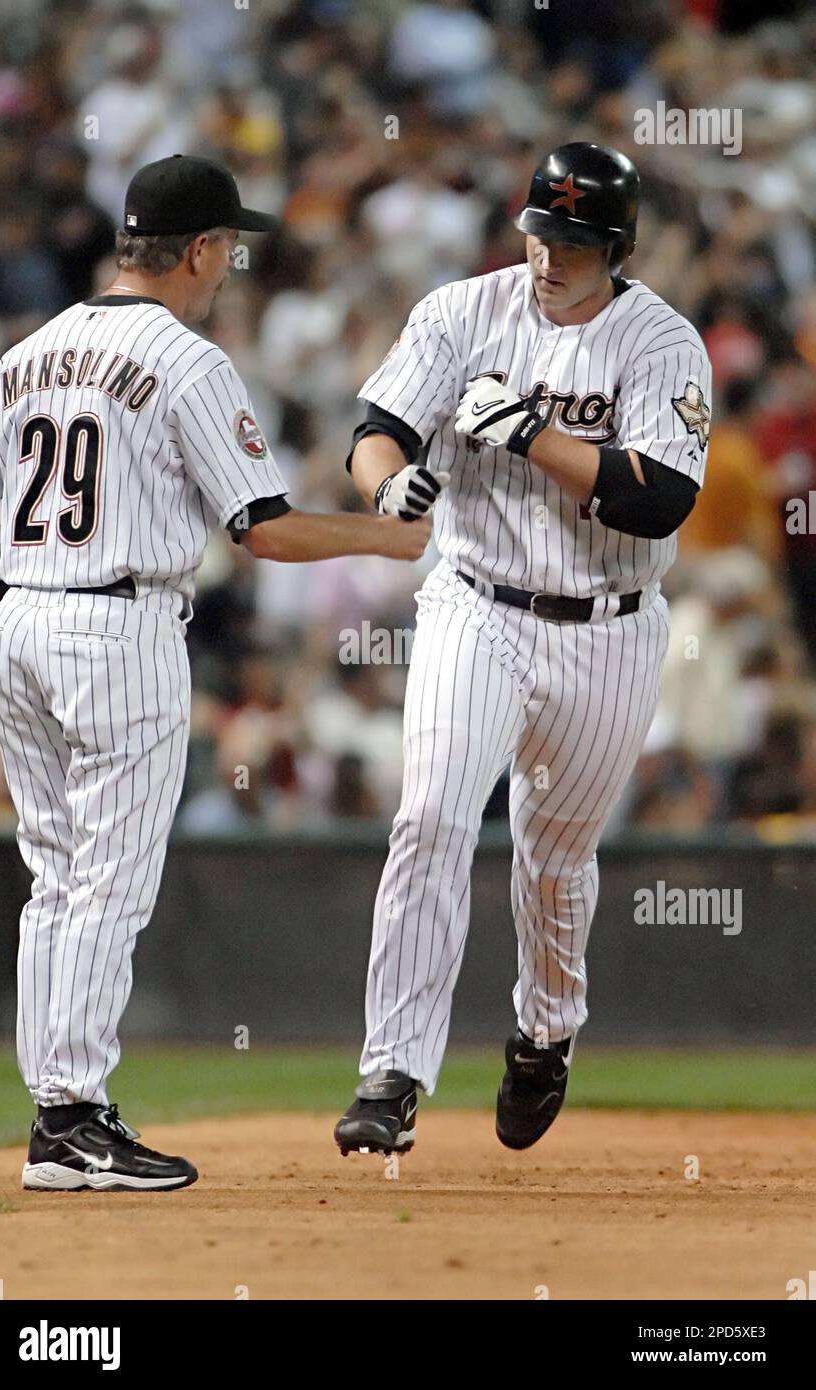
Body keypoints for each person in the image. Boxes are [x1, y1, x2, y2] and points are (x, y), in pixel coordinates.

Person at [0, 154, 431, 1192]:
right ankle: (73, 1117)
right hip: (117, 630)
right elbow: (260, 530)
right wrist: (386, 539)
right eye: (227, 246)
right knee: (109, 885)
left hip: (22, 623)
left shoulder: (25, 353)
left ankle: (57, 1114)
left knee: (57, 879)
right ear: (198, 250)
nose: (229, 266)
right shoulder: (188, 359)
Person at [333, 142, 712, 1156]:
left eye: (577, 243)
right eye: (543, 233)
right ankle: (393, 1070)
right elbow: (374, 427)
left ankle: (545, 1032)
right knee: (430, 815)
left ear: (617, 249)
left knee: (554, 862)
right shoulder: (462, 313)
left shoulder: (661, 341)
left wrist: (532, 433)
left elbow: (660, 495)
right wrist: (386, 485)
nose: (552, 257)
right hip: (477, 602)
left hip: (609, 622)